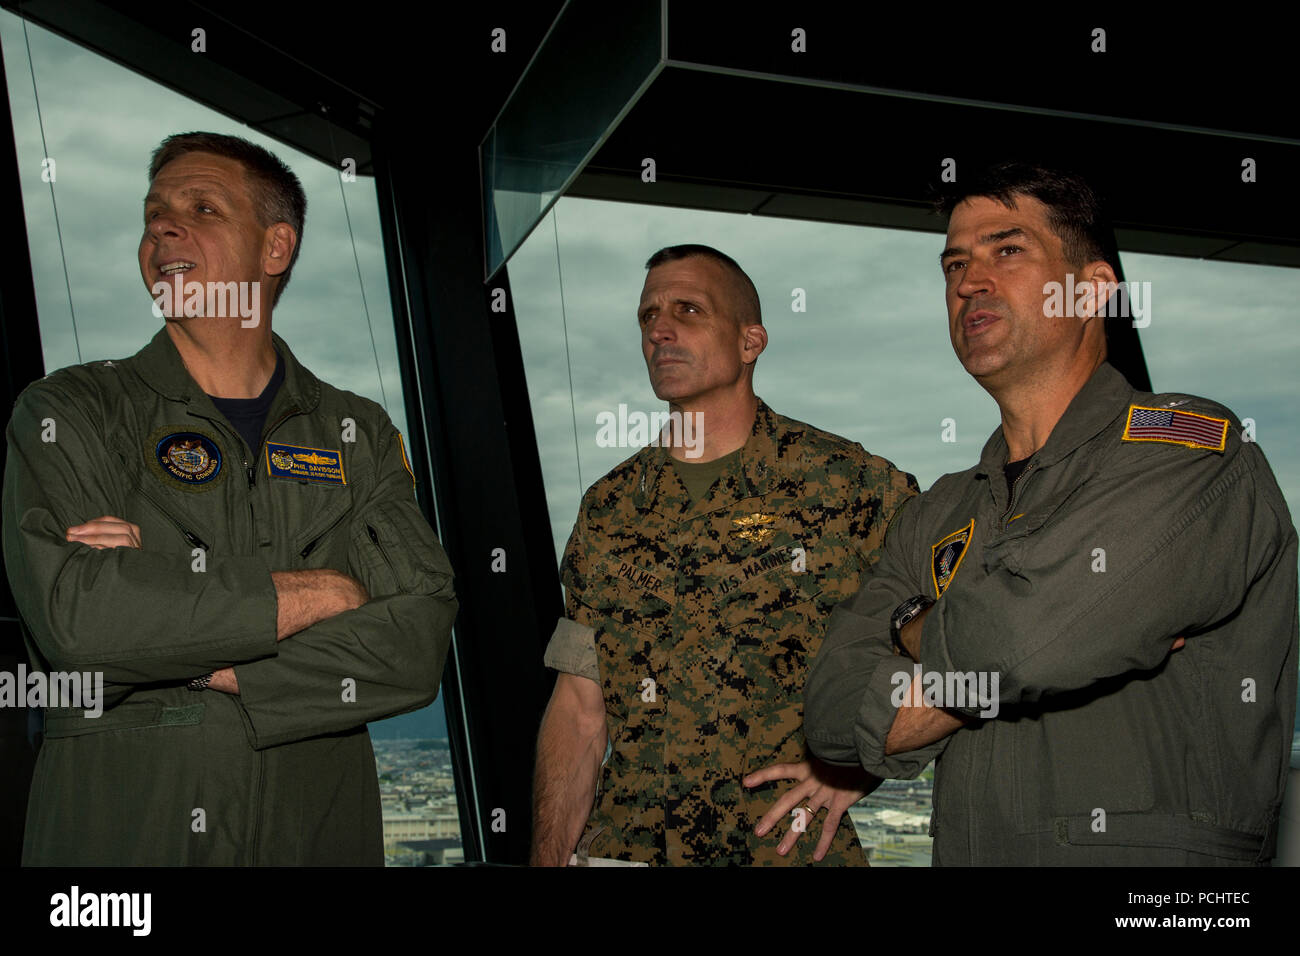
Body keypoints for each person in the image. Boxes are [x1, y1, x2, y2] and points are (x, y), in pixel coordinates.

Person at [804, 162, 1299, 865]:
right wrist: (1026, 640)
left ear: (1093, 288)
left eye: (1007, 251)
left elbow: (1020, 640)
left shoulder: (1192, 450)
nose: (970, 282)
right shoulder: (938, 512)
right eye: (955, 264)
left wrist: (910, 627)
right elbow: (828, 713)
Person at [1, 132, 458, 865]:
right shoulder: (71, 410)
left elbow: (417, 641)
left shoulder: (355, 431)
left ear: (275, 248)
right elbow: (80, 625)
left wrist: (202, 650)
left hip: (317, 833)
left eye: (201, 208)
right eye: (153, 215)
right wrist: (321, 594)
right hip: (123, 844)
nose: (161, 228)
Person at [530, 244, 917, 866]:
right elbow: (579, 708)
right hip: (628, 850)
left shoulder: (851, 486)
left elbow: (945, 636)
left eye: (688, 309)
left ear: (750, 341)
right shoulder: (608, 508)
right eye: (648, 316)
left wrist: (860, 767)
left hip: (782, 850)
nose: (660, 329)